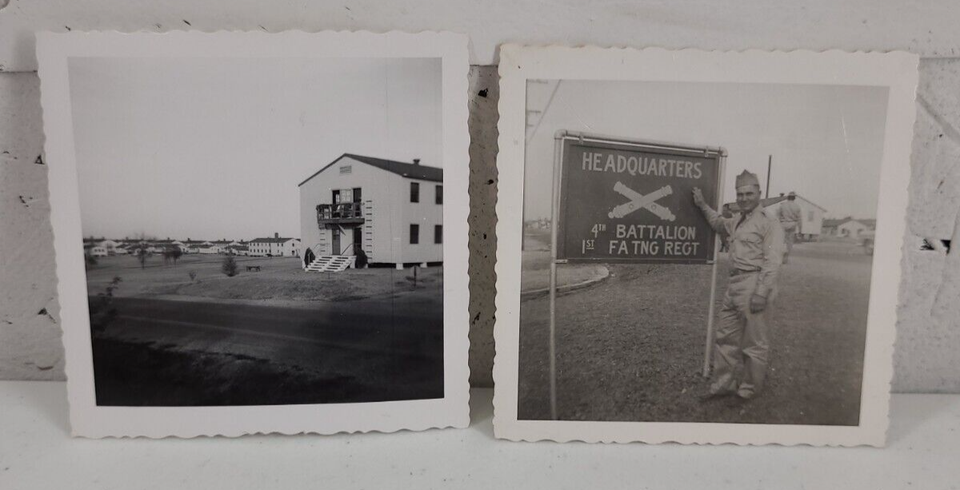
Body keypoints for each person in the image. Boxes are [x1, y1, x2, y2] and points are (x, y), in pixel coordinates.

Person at [692, 170, 785, 400]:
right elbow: (717, 223)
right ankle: (724, 385)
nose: (743, 198)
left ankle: (748, 389)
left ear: (759, 194)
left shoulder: (769, 222)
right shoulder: (737, 221)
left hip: (754, 283)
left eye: (748, 193)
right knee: (725, 336)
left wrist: (761, 293)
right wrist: (702, 204)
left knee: (754, 342)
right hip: (734, 283)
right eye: (740, 194)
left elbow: (773, 261)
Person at [777, 191, 803, 263]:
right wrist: (800, 230)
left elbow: (777, 216)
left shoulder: (782, 205)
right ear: (794, 198)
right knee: (789, 242)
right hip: (792, 225)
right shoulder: (797, 207)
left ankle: (780, 257)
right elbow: (799, 219)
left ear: (788, 197)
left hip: (783, 225)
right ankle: (786, 257)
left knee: (781, 242)